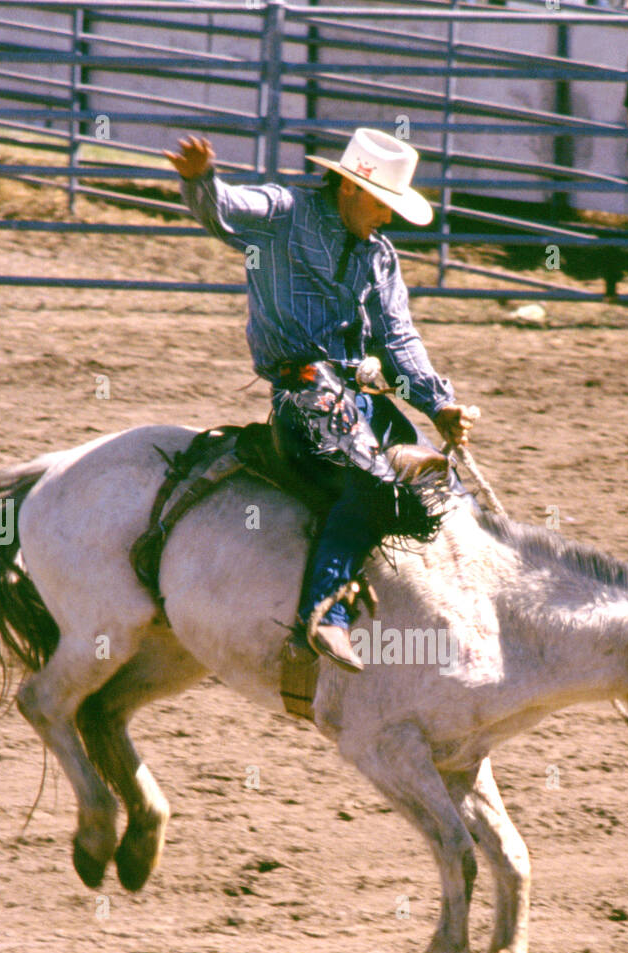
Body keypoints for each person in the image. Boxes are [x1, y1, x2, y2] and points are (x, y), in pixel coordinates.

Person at [164, 126, 476, 672]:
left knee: (444, 490)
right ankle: (323, 615)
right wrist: (200, 180)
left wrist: (438, 404)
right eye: (384, 203)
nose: (388, 217)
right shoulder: (283, 214)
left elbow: (398, 338)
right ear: (351, 189)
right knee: (372, 480)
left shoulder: (378, 256)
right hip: (303, 389)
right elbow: (225, 209)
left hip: (358, 395)